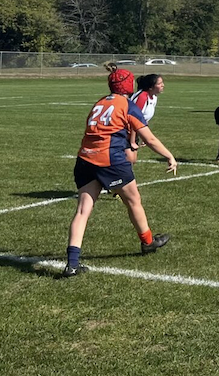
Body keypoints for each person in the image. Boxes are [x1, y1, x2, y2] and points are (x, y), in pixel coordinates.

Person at [62, 64, 176, 278]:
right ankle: (148, 242)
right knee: (133, 200)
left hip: (85, 158)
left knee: (83, 210)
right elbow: (150, 138)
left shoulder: (99, 102)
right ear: (129, 85)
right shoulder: (127, 105)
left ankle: (72, 264)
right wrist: (169, 155)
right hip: (110, 160)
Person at [128, 73, 163, 156]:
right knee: (129, 158)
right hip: (126, 131)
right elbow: (134, 119)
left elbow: (144, 119)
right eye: (159, 84)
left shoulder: (153, 97)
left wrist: (144, 136)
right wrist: (132, 141)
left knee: (132, 159)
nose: (163, 85)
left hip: (134, 130)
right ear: (151, 87)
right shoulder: (142, 97)